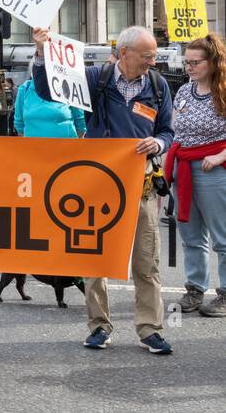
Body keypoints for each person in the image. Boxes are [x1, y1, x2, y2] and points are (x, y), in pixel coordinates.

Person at [31, 25, 174, 355]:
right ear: (124, 53)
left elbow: (167, 130)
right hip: (99, 186)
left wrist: (159, 142)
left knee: (146, 262)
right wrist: (41, 53)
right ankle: (99, 326)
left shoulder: (157, 85)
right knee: (95, 259)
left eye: (153, 55)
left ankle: (150, 329)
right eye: (147, 56)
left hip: (141, 186)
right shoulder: (97, 78)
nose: (152, 61)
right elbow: (48, 89)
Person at [167, 34, 226, 318]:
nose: (189, 67)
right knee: (190, 234)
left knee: (222, 237)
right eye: (186, 62)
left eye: (195, 62)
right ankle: (195, 288)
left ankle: (225, 293)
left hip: (213, 169)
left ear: (212, 62)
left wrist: (220, 156)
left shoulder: (223, 91)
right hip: (184, 167)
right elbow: (176, 127)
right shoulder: (183, 91)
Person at [13, 74, 87, 140]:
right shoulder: (25, 89)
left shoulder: (68, 86)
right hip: (33, 150)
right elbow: (19, 124)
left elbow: (81, 123)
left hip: (66, 149)